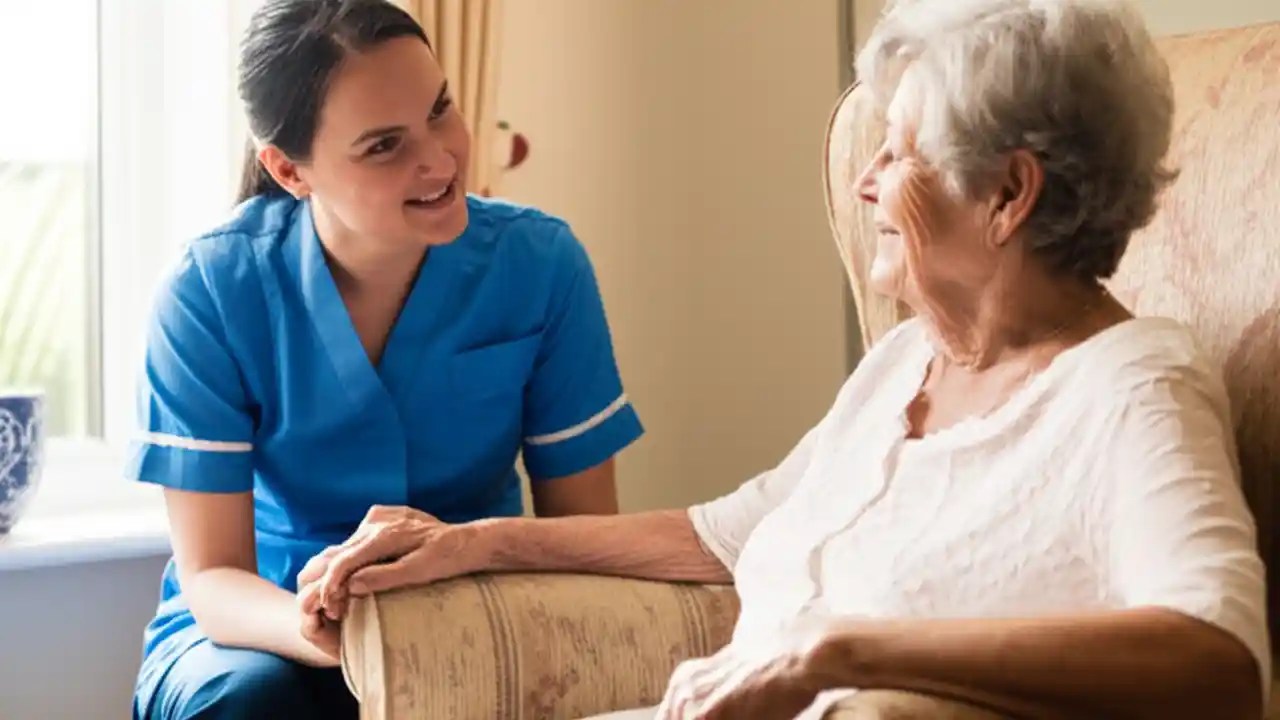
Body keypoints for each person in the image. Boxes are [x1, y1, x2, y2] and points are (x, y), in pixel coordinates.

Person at [299, 0, 1270, 718]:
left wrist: (839, 652)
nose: (863, 182)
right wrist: (472, 540)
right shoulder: (904, 367)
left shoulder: (1128, 384)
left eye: (896, 155)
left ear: (1008, 193)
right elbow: (724, 532)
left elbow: (1218, 657)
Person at [127, 1, 644, 718]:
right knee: (249, 703)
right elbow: (214, 576)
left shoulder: (542, 264)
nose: (439, 158)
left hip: (476, 614)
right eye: (384, 146)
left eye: (440, 110)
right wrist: (325, 630)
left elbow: (586, 539)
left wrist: (447, 620)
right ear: (288, 169)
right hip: (262, 631)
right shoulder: (209, 291)